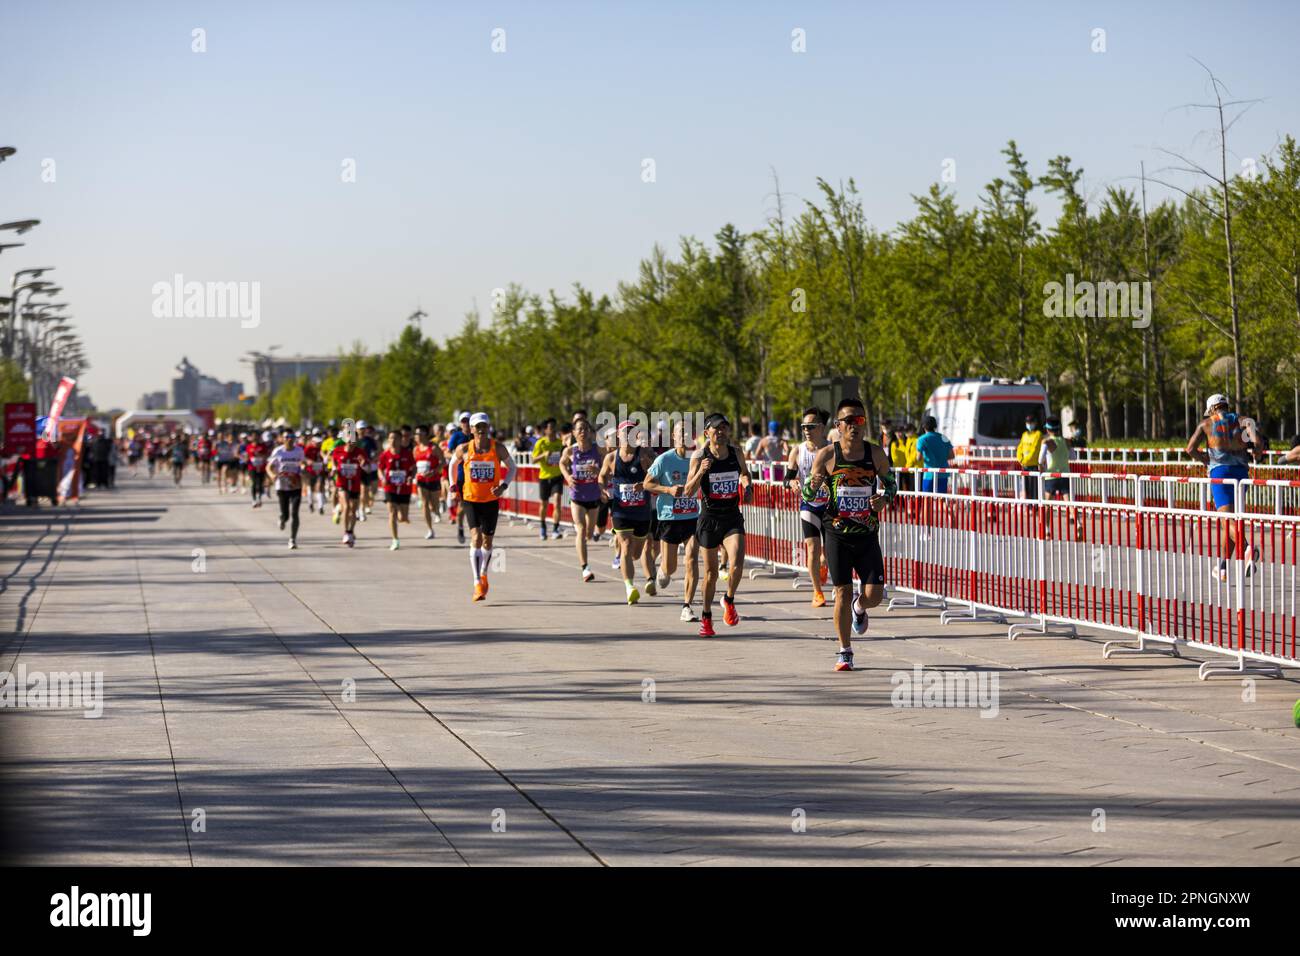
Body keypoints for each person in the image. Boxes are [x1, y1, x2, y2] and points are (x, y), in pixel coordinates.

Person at [805, 397, 894, 672]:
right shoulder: (827, 456)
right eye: (849, 421)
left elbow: (892, 486)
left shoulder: (875, 454)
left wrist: (884, 499)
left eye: (860, 420)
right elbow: (807, 494)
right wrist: (814, 484)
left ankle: (860, 607)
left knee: (875, 595)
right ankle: (845, 651)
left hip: (866, 534)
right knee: (841, 591)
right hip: (837, 533)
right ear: (838, 425)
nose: (855, 426)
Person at [684, 412, 752, 635]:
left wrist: (747, 484)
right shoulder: (699, 456)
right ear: (707, 433)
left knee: (737, 561)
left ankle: (729, 599)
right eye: (716, 429)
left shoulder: (736, 453)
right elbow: (688, 491)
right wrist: (701, 471)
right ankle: (706, 616)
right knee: (711, 574)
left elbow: (744, 473)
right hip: (709, 519)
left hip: (731, 515)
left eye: (724, 428)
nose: (721, 432)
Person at [1186, 394, 1260, 580]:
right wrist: (1256, 452)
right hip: (1241, 473)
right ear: (1225, 406)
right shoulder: (1243, 420)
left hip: (1220, 473)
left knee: (1227, 521)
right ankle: (1222, 567)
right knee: (1232, 521)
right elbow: (1257, 442)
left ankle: (1247, 549)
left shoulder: (1206, 424)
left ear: (1212, 408)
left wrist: (1204, 459)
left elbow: (1190, 449)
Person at [449, 412, 516, 601]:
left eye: (484, 426)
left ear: (488, 428)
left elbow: (513, 468)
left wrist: (503, 486)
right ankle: (477, 581)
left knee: (487, 542)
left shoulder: (498, 448)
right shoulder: (464, 448)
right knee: (476, 537)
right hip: (470, 499)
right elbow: (452, 464)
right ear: (471, 429)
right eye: (477, 426)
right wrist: (453, 484)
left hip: (490, 500)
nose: (481, 429)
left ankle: (484, 572)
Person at [644, 420, 703, 621]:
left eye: (688, 433)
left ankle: (687, 606)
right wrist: (668, 490)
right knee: (671, 568)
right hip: (669, 517)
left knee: (692, 559)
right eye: (681, 433)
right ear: (673, 437)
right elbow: (647, 483)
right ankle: (663, 568)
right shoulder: (663, 460)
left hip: (692, 516)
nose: (684, 437)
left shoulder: (698, 458)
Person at [600, 420, 657, 604]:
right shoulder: (611, 458)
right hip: (621, 510)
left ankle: (649, 579)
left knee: (636, 552)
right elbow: (602, 476)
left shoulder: (645, 454)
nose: (629, 435)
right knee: (625, 545)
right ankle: (629, 587)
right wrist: (602, 489)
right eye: (626, 432)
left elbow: (657, 474)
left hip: (641, 512)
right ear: (619, 435)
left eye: (633, 432)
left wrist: (648, 469)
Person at [786, 406, 831, 608]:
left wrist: (828, 483)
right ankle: (817, 592)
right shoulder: (798, 450)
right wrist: (792, 483)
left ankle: (824, 564)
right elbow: (786, 478)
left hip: (830, 507)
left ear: (821, 428)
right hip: (809, 505)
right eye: (804, 426)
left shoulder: (832, 450)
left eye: (811, 426)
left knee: (828, 551)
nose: (806, 430)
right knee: (812, 548)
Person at [559, 418, 605, 582]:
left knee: (589, 533)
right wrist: (568, 477)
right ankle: (585, 567)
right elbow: (562, 464)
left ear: (590, 432)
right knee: (580, 529)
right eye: (579, 429)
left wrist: (598, 470)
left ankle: (585, 546)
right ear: (573, 433)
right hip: (577, 495)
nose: (582, 432)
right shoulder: (570, 451)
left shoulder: (598, 450)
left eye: (585, 429)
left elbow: (609, 467)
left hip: (593, 496)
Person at [267, 429, 305, 550]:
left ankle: (292, 539)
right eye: (287, 436)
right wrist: (272, 475)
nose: (289, 438)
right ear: (282, 439)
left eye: (292, 436)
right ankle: (282, 518)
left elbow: (302, 463)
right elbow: (269, 467)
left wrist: (303, 467)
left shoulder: (299, 451)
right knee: (286, 514)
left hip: (296, 485)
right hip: (282, 486)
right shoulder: (278, 451)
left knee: (295, 513)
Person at [378, 429, 415, 550]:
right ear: (388, 440)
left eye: (395, 438)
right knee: (392, 513)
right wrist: (382, 477)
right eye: (391, 438)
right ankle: (395, 539)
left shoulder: (407, 453)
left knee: (403, 518)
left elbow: (413, 467)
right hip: (390, 487)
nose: (393, 441)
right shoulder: (385, 454)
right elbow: (379, 469)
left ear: (400, 440)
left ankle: (403, 515)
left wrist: (410, 476)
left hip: (405, 488)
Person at [531, 418, 566, 541]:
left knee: (557, 502)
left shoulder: (560, 443)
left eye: (554, 427)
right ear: (545, 430)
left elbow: (564, 457)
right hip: (544, 477)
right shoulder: (540, 443)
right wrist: (543, 455)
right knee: (544, 504)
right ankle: (543, 527)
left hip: (557, 476)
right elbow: (533, 459)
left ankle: (556, 529)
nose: (552, 430)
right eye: (550, 427)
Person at [331, 431, 368, 547]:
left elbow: (367, 468)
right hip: (342, 483)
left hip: (355, 484)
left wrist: (363, 465)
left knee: (353, 510)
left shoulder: (360, 453)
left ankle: (351, 531)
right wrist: (334, 469)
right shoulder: (338, 451)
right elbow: (333, 463)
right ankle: (346, 532)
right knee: (346, 507)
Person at [412, 425, 446, 539]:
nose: (418, 436)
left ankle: (437, 510)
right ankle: (430, 529)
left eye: (420, 433)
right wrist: (412, 475)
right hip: (421, 480)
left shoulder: (434, 447)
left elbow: (443, 462)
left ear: (426, 434)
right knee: (425, 503)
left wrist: (434, 471)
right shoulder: (415, 449)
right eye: (416, 434)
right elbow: (413, 465)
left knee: (433, 505)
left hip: (434, 479)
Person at [915, 416, 954, 493]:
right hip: (943, 473)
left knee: (927, 499)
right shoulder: (943, 437)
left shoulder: (922, 439)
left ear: (923, 426)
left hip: (929, 474)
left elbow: (918, 458)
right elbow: (952, 455)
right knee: (941, 498)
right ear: (935, 426)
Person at [1016, 413, 1044, 500]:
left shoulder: (1038, 434)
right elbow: (1020, 447)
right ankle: (1029, 508)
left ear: (1035, 423)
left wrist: (1024, 461)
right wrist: (1020, 459)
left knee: (1034, 490)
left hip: (1033, 466)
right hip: (1025, 465)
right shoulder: (1024, 434)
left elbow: (1034, 449)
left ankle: (1035, 508)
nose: (1029, 424)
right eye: (1027, 422)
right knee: (1026, 489)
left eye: (1031, 422)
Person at [247, 431, 271, 507]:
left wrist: (261, 456)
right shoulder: (249, 446)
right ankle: (253, 499)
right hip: (252, 467)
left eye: (256, 436)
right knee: (254, 483)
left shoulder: (263, 446)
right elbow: (247, 456)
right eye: (253, 436)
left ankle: (259, 498)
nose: (255, 438)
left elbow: (267, 455)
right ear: (251, 438)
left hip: (261, 467)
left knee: (260, 483)